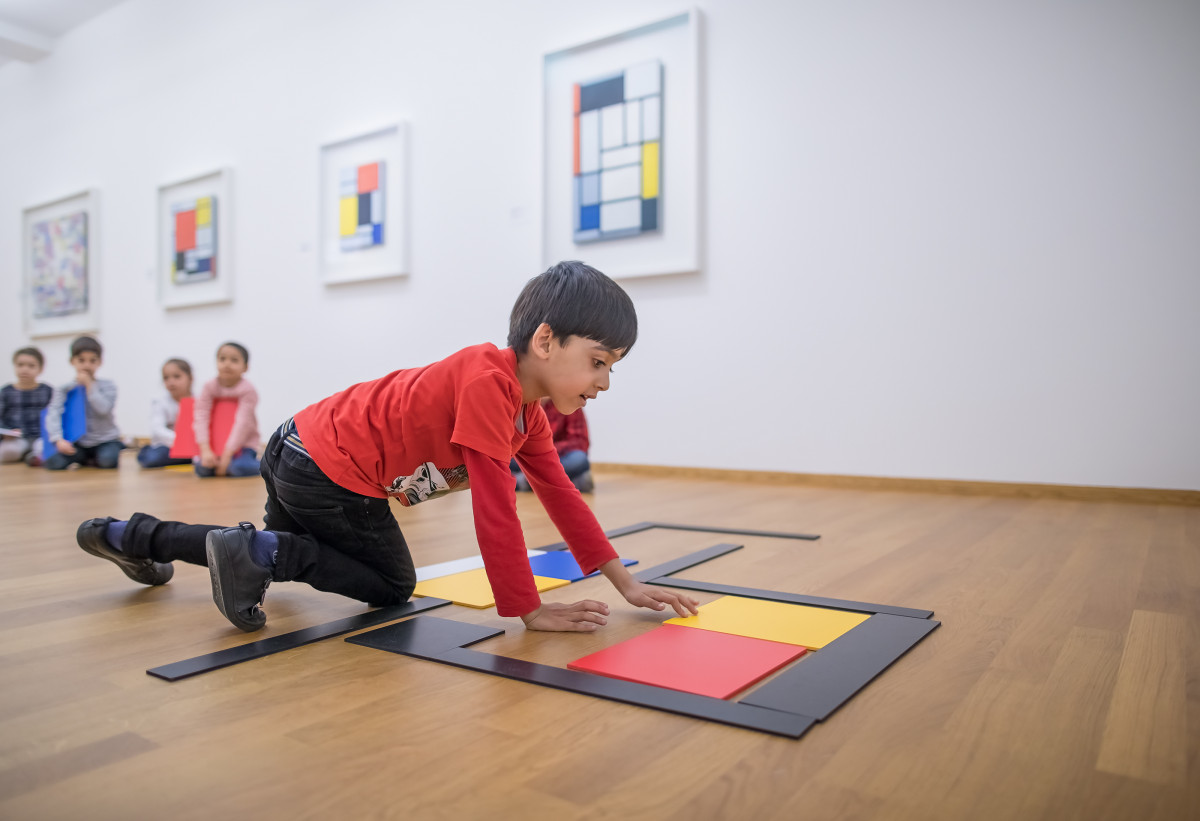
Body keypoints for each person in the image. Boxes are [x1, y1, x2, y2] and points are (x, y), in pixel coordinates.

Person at [75, 261, 699, 633]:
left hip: (298, 445)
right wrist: (527, 610)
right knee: (392, 585)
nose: (604, 383)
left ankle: (130, 536)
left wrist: (626, 585)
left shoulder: (526, 414)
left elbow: (561, 497)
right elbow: (495, 509)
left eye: (611, 368)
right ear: (544, 340)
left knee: (269, 553)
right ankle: (242, 549)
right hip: (328, 469)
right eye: (597, 362)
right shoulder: (488, 382)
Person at [45, 336, 123, 470]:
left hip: (106, 440)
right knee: (53, 462)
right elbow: (54, 412)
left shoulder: (109, 386)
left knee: (108, 461)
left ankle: (97, 457)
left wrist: (89, 386)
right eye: (81, 360)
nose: (87, 365)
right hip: (79, 442)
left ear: (100, 362)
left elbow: (103, 409)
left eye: (92, 361)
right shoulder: (64, 389)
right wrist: (58, 439)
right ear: (72, 361)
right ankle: (87, 459)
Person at [193, 342, 261, 477]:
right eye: (222, 359)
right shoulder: (209, 387)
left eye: (234, 360)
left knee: (238, 468)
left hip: (244, 446)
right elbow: (201, 416)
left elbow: (243, 423)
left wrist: (227, 455)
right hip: (213, 445)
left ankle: (266, 464)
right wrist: (205, 450)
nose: (227, 364)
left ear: (245, 367)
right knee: (202, 469)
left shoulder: (248, 390)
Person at [512, 398, 593, 492]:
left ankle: (525, 481)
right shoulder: (522, 403)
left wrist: (548, 450)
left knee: (579, 459)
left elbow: (580, 441)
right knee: (503, 458)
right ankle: (566, 480)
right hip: (527, 458)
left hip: (559, 457)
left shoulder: (569, 404)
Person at [137, 358, 195, 468]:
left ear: (190, 378)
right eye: (166, 378)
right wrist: (180, 440)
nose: (171, 382)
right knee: (153, 458)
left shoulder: (198, 401)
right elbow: (158, 429)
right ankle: (146, 451)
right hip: (167, 446)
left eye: (177, 377)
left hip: (192, 446)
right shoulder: (160, 402)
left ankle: (187, 457)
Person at [0, 347, 53, 464]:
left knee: (45, 448)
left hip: (40, 437)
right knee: (6, 453)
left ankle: (32, 456)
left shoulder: (47, 390)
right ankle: (27, 454)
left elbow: (53, 415)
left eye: (31, 366)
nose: (25, 369)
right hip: (16, 438)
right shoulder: (6, 392)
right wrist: (7, 432)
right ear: (14, 366)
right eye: (20, 365)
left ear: (40, 369)